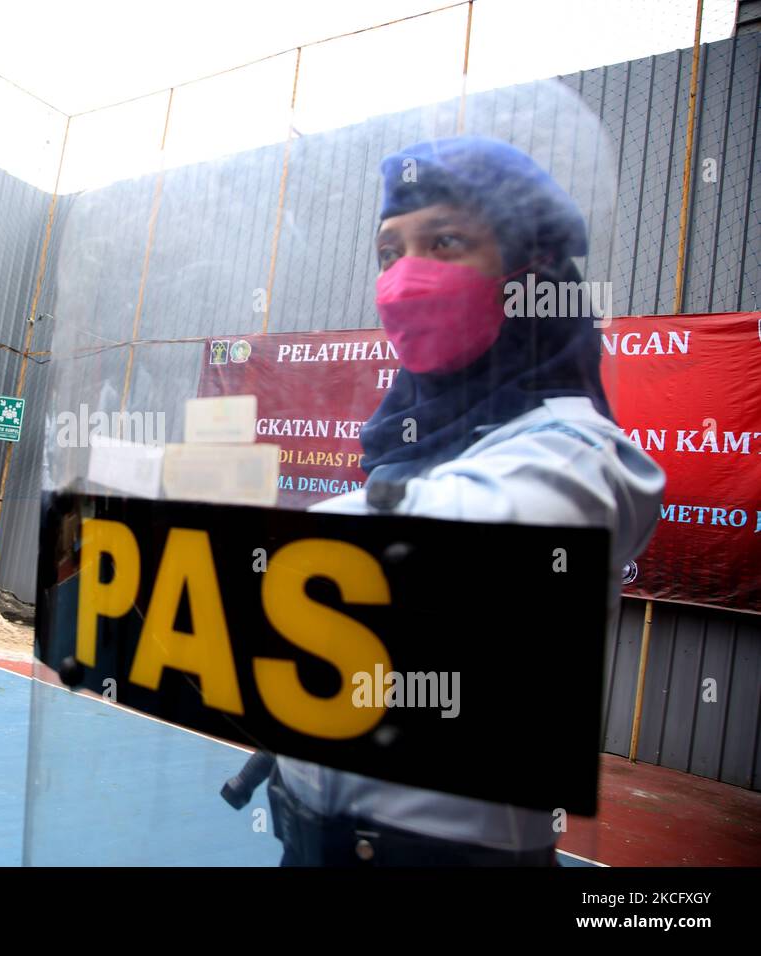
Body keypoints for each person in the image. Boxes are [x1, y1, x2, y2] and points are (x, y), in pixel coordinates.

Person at [268, 136, 665, 866]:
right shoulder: (411, 439)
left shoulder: (577, 453)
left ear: (530, 272)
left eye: (445, 240)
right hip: (309, 836)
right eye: (390, 252)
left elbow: (425, 552)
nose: (403, 276)